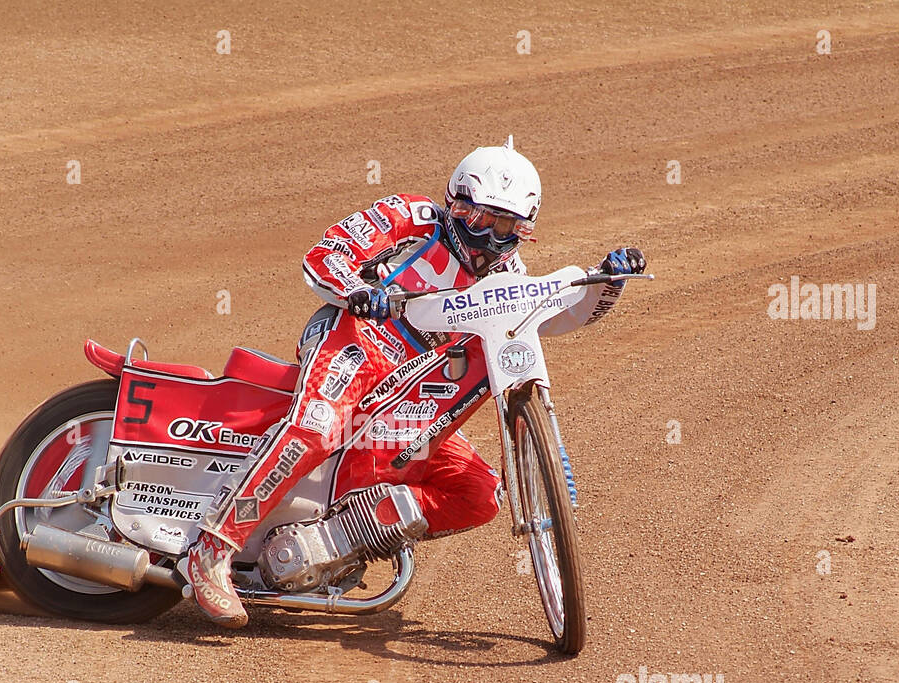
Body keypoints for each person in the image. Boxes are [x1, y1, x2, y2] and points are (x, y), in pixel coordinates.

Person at [180, 138, 647, 626]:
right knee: (318, 427)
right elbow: (324, 254)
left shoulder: (510, 273)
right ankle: (212, 548)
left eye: (505, 225)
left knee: (478, 494)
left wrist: (606, 283)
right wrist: (359, 291)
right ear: (457, 201)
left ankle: (344, 537)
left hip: (414, 384)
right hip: (354, 337)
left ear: (523, 228)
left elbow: (548, 320)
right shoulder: (410, 216)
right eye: (480, 218)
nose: (488, 235)